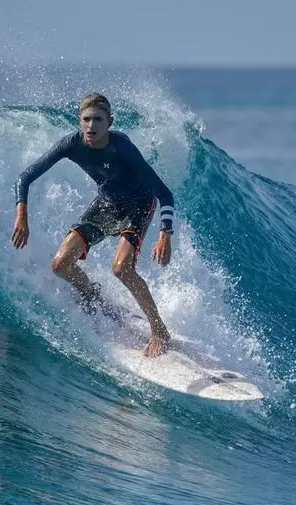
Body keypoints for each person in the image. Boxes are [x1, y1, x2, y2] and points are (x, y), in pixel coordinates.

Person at [11, 92, 175, 357]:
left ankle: (159, 329)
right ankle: (92, 295)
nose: (91, 126)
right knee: (60, 264)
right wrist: (22, 215)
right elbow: (25, 177)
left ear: (109, 122)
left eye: (97, 119)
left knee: (121, 268)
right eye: (86, 119)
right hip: (107, 204)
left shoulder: (122, 147)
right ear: (79, 120)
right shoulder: (71, 144)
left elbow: (164, 194)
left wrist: (165, 233)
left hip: (138, 204)